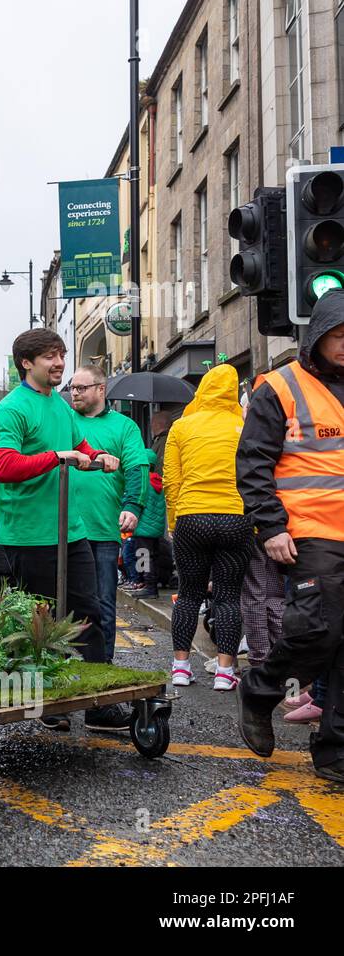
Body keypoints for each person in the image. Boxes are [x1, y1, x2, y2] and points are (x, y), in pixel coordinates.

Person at [0, 329, 131, 733]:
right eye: (50, 356)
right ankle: (48, 701)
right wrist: (56, 457)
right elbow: (5, 467)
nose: (60, 363)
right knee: (41, 622)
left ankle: (100, 702)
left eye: (62, 354)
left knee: (90, 614)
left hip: (70, 529)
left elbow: (79, 445)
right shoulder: (10, 409)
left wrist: (96, 455)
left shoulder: (62, 406)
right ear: (26, 363)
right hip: (28, 535)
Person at [235, 293, 344, 782]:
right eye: (339, 336)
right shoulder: (279, 387)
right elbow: (253, 462)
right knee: (317, 628)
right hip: (308, 531)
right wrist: (270, 526)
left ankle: (334, 751)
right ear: (316, 336)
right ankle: (260, 689)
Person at [163, 364, 253, 692]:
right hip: (235, 517)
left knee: (188, 595)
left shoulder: (182, 427)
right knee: (229, 597)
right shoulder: (246, 426)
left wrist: (174, 522)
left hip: (192, 516)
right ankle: (226, 673)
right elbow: (258, 474)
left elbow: (172, 480)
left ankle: (181, 667)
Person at [68, 365, 149, 662]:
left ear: (101, 389)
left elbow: (137, 468)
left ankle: (103, 667)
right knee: (61, 604)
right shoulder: (64, 421)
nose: (74, 393)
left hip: (102, 530)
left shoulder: (124, 426)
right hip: (62, 529)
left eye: (81, 388)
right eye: (72, 387)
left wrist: (132, 506)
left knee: (102, 602)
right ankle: (65, 674)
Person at [121, 449, 166, 599]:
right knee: (152, 556)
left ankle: (147, 585)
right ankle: (151, 584)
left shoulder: (143, 483)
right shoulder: (158, 481)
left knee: (143, 556)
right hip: (156, 528)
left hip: (143, 528)